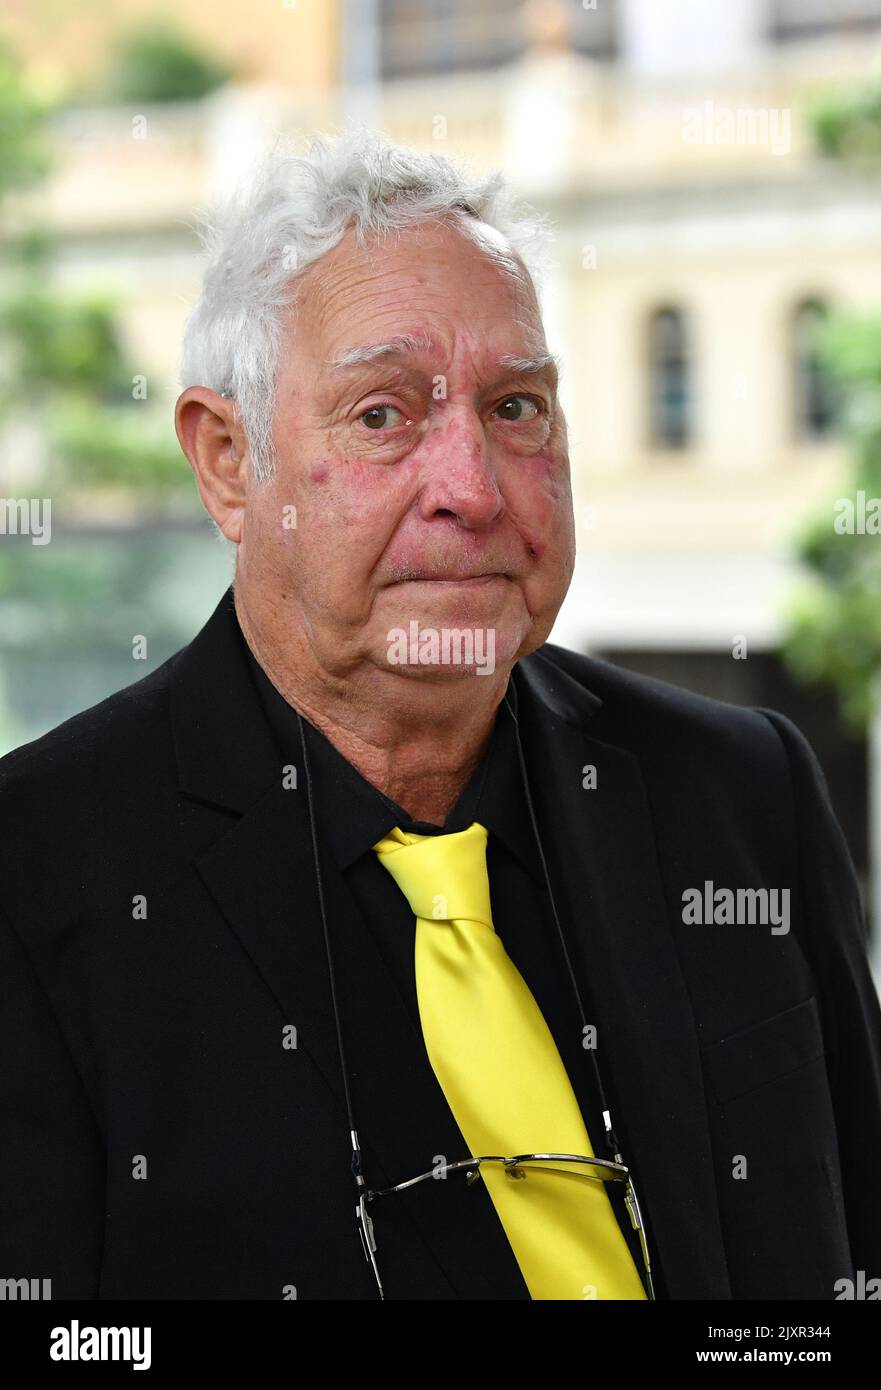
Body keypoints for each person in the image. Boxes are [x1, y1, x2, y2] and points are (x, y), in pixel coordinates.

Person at [1, 130, 879, 1300]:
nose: (471, 487)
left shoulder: (739, 789)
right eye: (382, 415)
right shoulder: (38, 872)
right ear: (227, 462)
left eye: (516, 407)